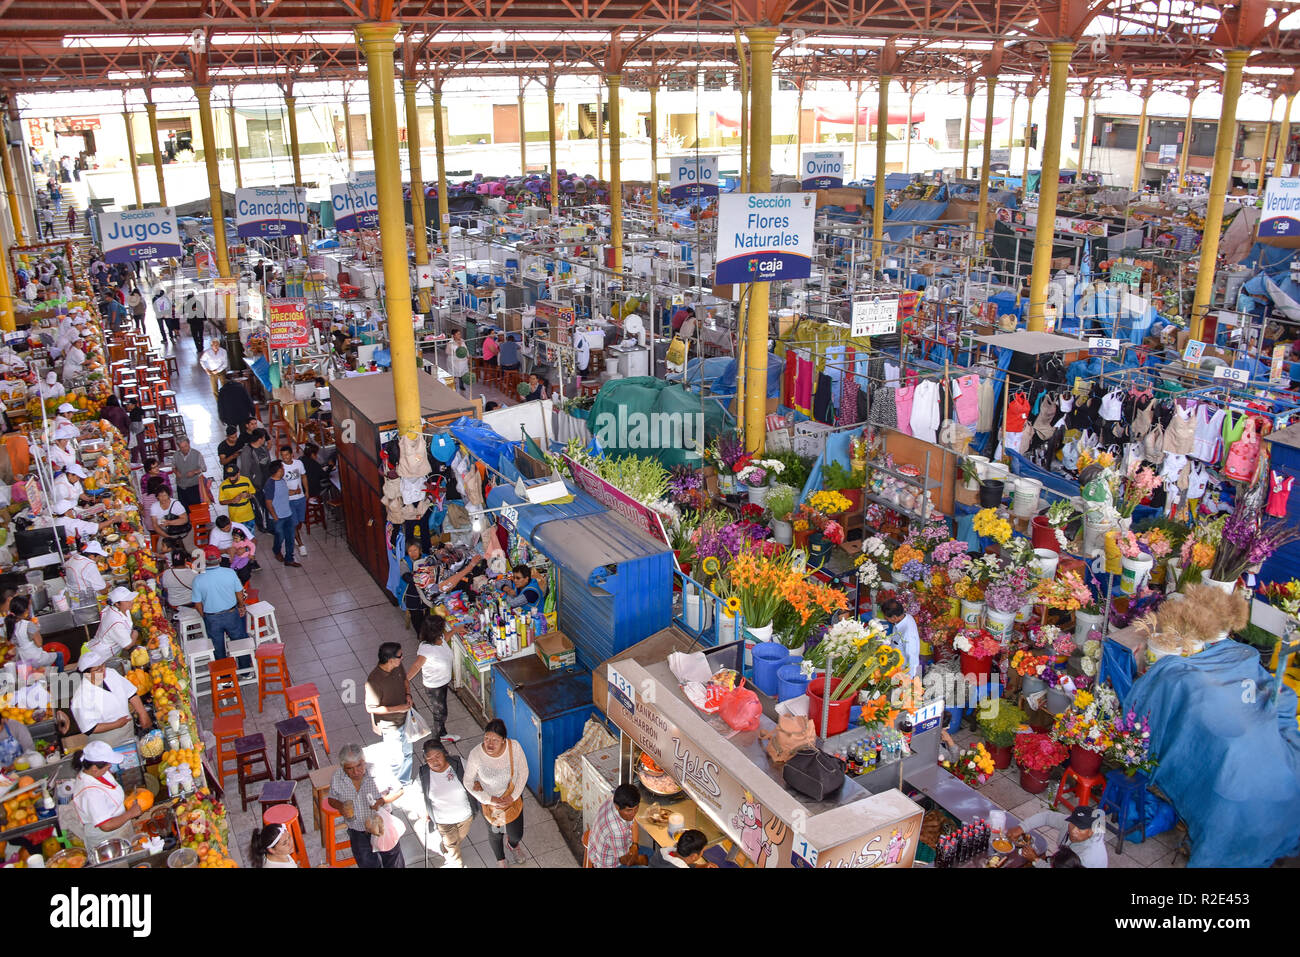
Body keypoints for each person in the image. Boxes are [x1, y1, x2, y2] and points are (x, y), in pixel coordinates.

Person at [327, 744, 406, 869]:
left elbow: (399, 790)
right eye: (350, 769)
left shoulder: (378, 771)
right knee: (366, 864)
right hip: (357, 829)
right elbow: (331, 799)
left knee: (393, 860)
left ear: (364, 761)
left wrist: (381, 801)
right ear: (343, 767)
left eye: (359, 765)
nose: (356, 772)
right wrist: (341, 806)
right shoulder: (337, 777)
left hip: (382, 826)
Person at [464, 718, 529, 867]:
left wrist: (513, 797)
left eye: (495, 740)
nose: (489, 743)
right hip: (490, 803)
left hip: (511, 797)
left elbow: (523, 772)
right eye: (486, 738)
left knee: (516, 834)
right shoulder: (476, 754)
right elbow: (468, 781)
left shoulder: (514, 748)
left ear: (504, 740)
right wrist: (488, 799)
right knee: (495, 832)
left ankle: (513, 845)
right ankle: (501, 859)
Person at [70, 646, 151, 746]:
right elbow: (89, 728)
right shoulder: (81, 697)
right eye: (97, 669)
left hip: (127, 728)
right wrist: (116, 724)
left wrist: (142, 713)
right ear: (86, 674)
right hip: (106, 739)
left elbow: (131, 693)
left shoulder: (111, 673)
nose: (103, 670)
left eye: (103, 665)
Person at [70, 741, 145, 846]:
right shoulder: (90, 793)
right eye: (107, 765)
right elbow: (106, 826)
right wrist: (131, 813)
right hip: (108, 839)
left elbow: (112, 791)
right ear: (95, 769)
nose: (110, 766)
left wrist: (129, 801)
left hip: (121, 827)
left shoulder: (99, 773)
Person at [416, 740, 474, 868]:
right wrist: (422, 810)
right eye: (429, 759)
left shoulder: (459, 763)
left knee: (456, 841)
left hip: (465, 816)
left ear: (445, 754)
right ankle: (455, 863)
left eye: (437, 756)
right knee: (452, 847)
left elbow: (474, 776)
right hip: (443, 820)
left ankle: (446, 847)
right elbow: (417, 793)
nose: (434, 761)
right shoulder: (424, 773)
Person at [366, 642, 413, 786]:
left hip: (406, 719)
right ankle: (394, 785)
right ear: (390, 659)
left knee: (407, 753)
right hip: (390, 725)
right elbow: (371, 708)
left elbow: (405, 680)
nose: (402, 658)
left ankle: (404, 781)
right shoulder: (374, 680)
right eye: (400, 656)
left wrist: (408, 694)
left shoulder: (398, 666)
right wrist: (398, 708)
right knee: (396, 759)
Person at [1008, 805, 1109, 868]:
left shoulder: (1086, 857)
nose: (1073, 831)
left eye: (1080, 829)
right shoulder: (1071, 824)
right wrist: (1021, 828)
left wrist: (1036, 860)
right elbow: (1047, 817)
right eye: (1073, 824)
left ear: (1091, 832)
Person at [408, 615, 457, 744]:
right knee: (440, 714)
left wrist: (455, 631)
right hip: (434, 686)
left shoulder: (439, 639)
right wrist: (406, 679)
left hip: (443, 682)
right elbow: (417, 665)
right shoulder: (426, 648)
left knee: (442, 709)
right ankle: (435, 742)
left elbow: (445, 641)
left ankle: (443, 733)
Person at [190, 559, 248, 660]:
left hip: (212, 618)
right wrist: (241, 606)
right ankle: (245, 671)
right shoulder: (230, 572)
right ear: (220, 559)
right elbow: (239, 592)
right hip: (231, 614)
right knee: (239, 643)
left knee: (217, 648)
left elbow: (197, 604)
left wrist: (204, 616)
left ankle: (225, 674)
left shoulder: (198, 579)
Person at [588, 784, 649, 868]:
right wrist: (641, 860)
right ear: (617, 807)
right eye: (629, 810)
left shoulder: (614, 799)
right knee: (651, 858)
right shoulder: (617, 831)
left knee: (651, 855)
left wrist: (635, 845)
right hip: (609, 863)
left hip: (597, 848)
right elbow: (624, 861)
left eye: (636, 808)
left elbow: (633, 822)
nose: (634, 813)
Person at [7, 596, 61, 670]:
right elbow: (39, 644)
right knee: (59, 655)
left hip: (24, 660)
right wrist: (36, 629)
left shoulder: (11, 625)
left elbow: (13, 644)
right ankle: (60, 675)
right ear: (26, 611)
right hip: (36, 659)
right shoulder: (28, 624)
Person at [262, 461, 300, 567]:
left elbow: (285, 492)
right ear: (278, 471)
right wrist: (275, 517)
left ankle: (289, 559)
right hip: (278, 517)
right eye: (282, 468)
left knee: (290, 537)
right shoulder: (270, 484)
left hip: (288, 514)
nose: (284, 470)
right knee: (280, 537)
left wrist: (295, 491)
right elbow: (268, 502)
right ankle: (276, 550)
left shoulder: (282, 480)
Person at [90, 586, 141, 656]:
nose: (132, 601)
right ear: (117, 604)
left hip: (116, 648)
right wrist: (136, 632)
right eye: (127, 601)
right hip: (103, 655)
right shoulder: (115, 621)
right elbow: (128, 646)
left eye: (131, 599)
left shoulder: (123, 608)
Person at [880, 597, 921, 681]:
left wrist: (910, 679)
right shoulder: (906, 617)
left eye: (887, 618)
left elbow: (913, 657)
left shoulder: (908, 633)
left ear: (894, 617)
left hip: (903, 673)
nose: (886, 619)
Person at [278, 445, 308, 556]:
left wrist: (307, 491)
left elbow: (304, 476)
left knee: (299, 522)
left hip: (300, 498)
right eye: (283, 455)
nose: (285, 457)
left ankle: (295, 534)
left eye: (286, 455)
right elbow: (279, 485)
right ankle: (301, 544)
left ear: (292, 455)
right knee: (293, 523)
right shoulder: (280, 468)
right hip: (288, 500)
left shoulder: (298, 464)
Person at [150, 485, 192, 552]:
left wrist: (169, 522)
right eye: (160, 496)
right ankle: (168, 561)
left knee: (189, 549)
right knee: (160, 549)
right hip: (166, 532)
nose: (163, 498)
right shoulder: (154, 507)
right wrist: (167, 537)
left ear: (169, 495)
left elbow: (184, 519)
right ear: (157, 497)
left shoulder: (176, 504)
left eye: (165, 495)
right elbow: (155, 525)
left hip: (182, 531)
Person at [398, 540, 428, 632]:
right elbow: (406, 577)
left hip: (426, 592)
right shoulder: (404, 561)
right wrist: (423, 577)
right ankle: (420, 635)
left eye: (415, 550)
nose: (413, 553)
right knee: (416, 616)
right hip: (411, 592)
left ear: (420, 550)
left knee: (428, 615)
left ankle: (428, 633)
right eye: (410, 551)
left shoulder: (427, 558)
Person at [219, 463, 258, 530]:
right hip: (235, 518)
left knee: (250, 538)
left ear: (238, 473)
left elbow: (253, 493)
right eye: (229, 476)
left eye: (233, 476)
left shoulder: (246, 480)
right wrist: (232, 500)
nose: (231, 478)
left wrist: (248, 495)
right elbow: (221, 502)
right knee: (238, 539)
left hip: (248, 516)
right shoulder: (223, 485)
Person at [170, 437, 207, 509]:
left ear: (189, 444)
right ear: (178, 447)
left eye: (186, 446)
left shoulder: (197, 454)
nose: (184, 449)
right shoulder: (176, 455)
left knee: (195, 508)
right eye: (182, 447)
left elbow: (204, 468)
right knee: (183, 508)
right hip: (181, 486)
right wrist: (176, 472)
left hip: (194, 486)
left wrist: (194, 472)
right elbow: (173, 466)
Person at [649, 829, 713, 868]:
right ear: (694, 856)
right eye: (703, 851)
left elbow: (679, 862)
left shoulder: (662, 852)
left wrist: (699, 866)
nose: (703, 853)